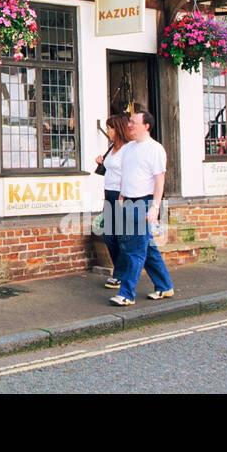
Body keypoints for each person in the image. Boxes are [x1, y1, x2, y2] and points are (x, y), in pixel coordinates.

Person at [109, 108, 175, 306]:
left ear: (146, 126)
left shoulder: (155, 149)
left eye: (133, 123)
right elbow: (126, 174)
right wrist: (121, 193)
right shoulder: (129, 148)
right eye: (129, 122)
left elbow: (159, 180)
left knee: (134, 251)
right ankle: (165, 286)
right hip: (129, 201)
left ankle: (126, 294)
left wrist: (155, 207)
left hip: (144, 203)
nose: (129, 125)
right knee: (147, 248)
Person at [94, 113, 132, 289]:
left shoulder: (128, 149)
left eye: (110, 127)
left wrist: (123, 196)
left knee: (122, 237)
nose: (108, 130)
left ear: (119, 129)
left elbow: (129, 173)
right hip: (108, 195)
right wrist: (101, 161)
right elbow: (109, 168)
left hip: (120, 196)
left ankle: (120, 275)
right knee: (108, 236)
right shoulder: (112, 147)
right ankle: (121, 270)